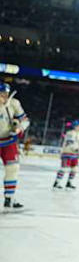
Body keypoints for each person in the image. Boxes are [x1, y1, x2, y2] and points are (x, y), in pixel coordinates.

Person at [0, 83, 29, 211]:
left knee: (13, 169)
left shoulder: (14, 103)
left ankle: (9, 198)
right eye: (2, 94)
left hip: (8, 141)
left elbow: (25, 120)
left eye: (6, 94)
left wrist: (18, 128)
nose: (5, 97)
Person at [53, 119, 79, 190]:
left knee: (74, 169)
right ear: (76, 126)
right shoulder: (70, 133)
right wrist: (77, 148)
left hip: (74, 154)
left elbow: (76, 143)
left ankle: (69, 183)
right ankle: (57, 183)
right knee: (63, 168)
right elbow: (70, 143)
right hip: (67, 152)